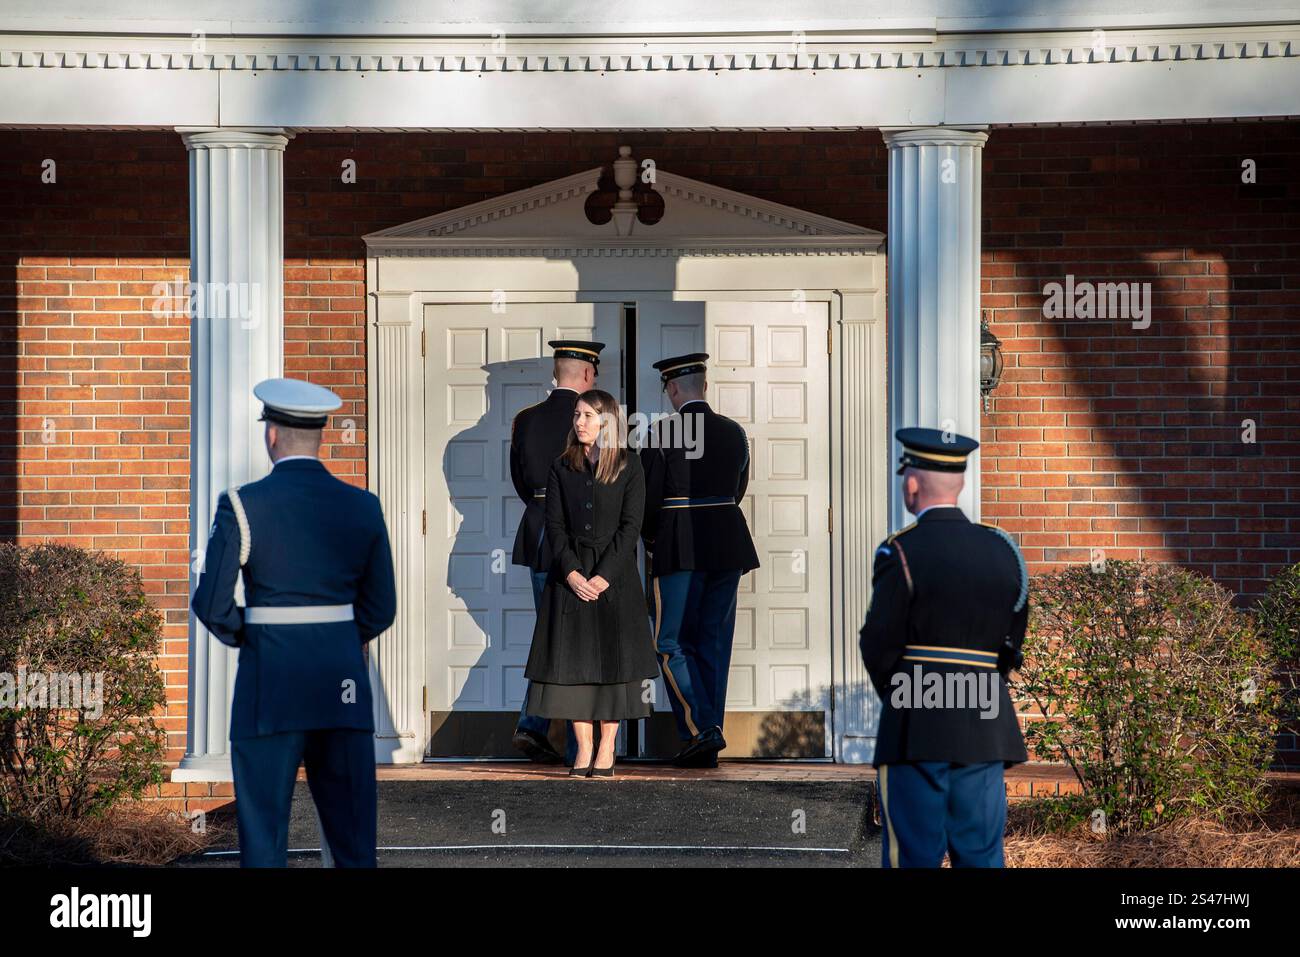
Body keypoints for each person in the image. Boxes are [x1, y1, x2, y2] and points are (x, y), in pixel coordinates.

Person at [191, 377, 396, 867]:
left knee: (263, 840)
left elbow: (211, 603)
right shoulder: (362, 506)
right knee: (351, 843)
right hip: (340, 682)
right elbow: (381, 607)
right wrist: (336, 641)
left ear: (271, 435)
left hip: (271, 684)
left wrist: (258, 636)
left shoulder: (241, 504)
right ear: (320, 436)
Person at [859, 427, 1029, 868]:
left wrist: (903, 698)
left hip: (918, 725)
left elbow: (878, 642)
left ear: (912, 482)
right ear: (961, 481)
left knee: (912, 856)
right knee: (981, 857)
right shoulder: (1004, 551)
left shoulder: (900, 552)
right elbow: (1012, 643)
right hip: (986, 721)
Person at [524, 389, 659, 778]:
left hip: (613, 578)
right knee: (572, 666)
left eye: (588, 415)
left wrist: (602, 576)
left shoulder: (629, 466)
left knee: (613, 664)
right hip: (569, 577)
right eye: (577, 415)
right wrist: (570, 572)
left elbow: (630, 527)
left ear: (607, 421)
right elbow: (554, 525)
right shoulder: (561, 466)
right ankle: (582, 747)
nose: (579, 422)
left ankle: (606, 747)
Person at [639, 353, 760, 768]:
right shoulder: (735, 433)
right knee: (713, 643)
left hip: (678, 545)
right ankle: (708, 732)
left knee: (670, 641)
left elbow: (648, 499)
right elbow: (739, 486)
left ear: (672, 388)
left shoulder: (661, 433)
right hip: (727, 544)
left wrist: (652, 538)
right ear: (704, 387)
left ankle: (701, 729)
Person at [509, 340, 604, 765]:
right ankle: (571, 744)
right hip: (575, 534)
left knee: (550, 632)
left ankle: (534, 723)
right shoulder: (591, 419)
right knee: (577, 640)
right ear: (586, 375)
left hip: (538, 529)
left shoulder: (526, 420)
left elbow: (519, 480)